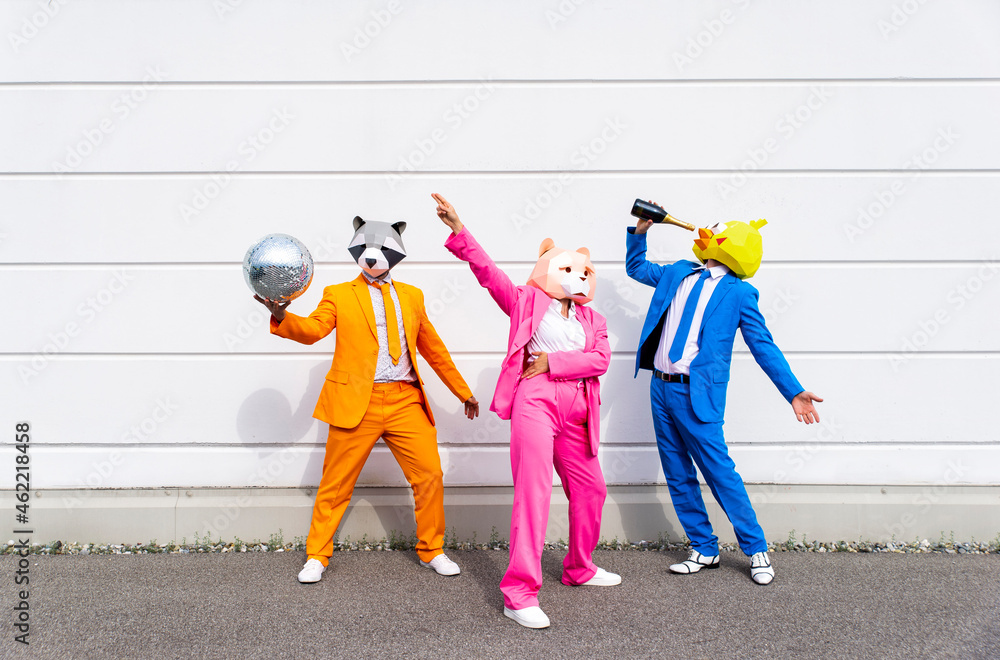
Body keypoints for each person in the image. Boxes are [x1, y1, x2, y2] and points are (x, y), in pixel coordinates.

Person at [256, 216, 479, 584]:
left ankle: (433, 550)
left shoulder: (412, 296)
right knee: (336, 482)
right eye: (365, 251)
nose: (373, 258)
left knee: (430, 475)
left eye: (381, 251)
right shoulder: (339, 293)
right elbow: (313, 331)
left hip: (405, 400)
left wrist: (462, 391)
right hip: (356, 401)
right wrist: (283, 316)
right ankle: (317, 555)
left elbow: (433, 349)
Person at [436, 193, 618, 630]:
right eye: (567, 268)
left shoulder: (593, 320)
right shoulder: (525, 301)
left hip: (579, 409)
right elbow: (489, 275)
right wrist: (460, 230)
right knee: (534, 495)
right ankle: (518, 594)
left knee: (591, 490)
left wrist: (554, 360)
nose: (577, 276)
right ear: (548, 269)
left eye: (582, 271)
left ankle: (580, 567)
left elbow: (601, 360)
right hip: (535, 402)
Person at [625, 213, 822, 585]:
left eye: (716, 230)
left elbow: (762, 345)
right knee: (677, 472)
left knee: (719, 473)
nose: (705, 231)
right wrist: (640, 232)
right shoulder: (678, 272)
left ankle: (756, 549)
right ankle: (704, 547)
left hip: (696, 393)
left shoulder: (739, 293)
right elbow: (636, 267)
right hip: (660, 388)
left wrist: (793, 391)